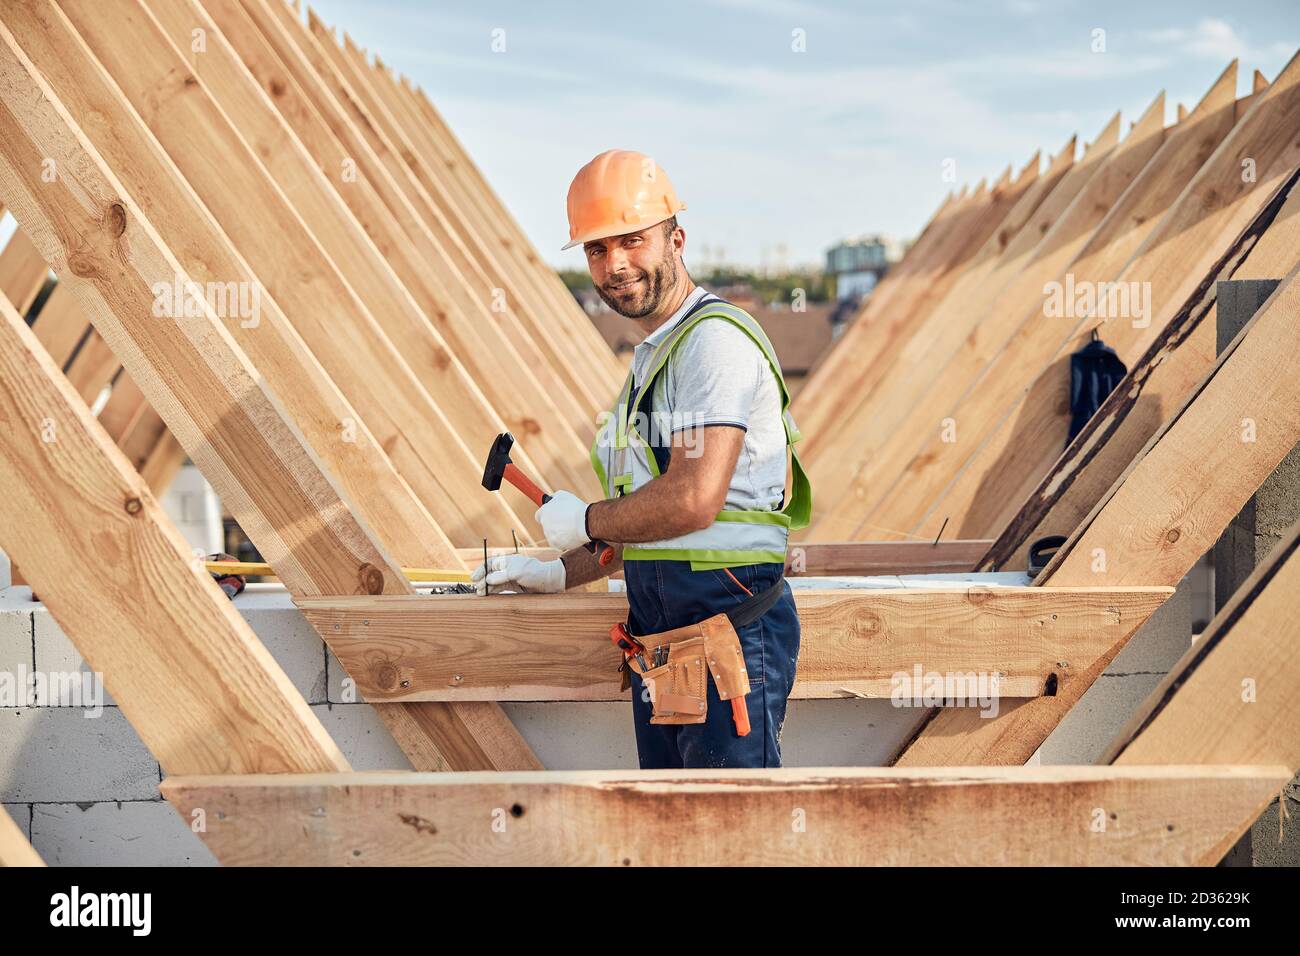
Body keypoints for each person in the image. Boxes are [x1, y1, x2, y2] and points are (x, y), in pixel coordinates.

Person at [473, 149, 811, 769]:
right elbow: (654, 524)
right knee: (672, 836)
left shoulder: (713, 344)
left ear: (676, 240)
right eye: (597, 250)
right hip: (667, 644)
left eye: (632, 240)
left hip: (727, 635)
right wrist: (563, 571)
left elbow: (694, 498)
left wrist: (589, 520)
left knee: (731, 841)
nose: (615, 265)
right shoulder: (657, 359)